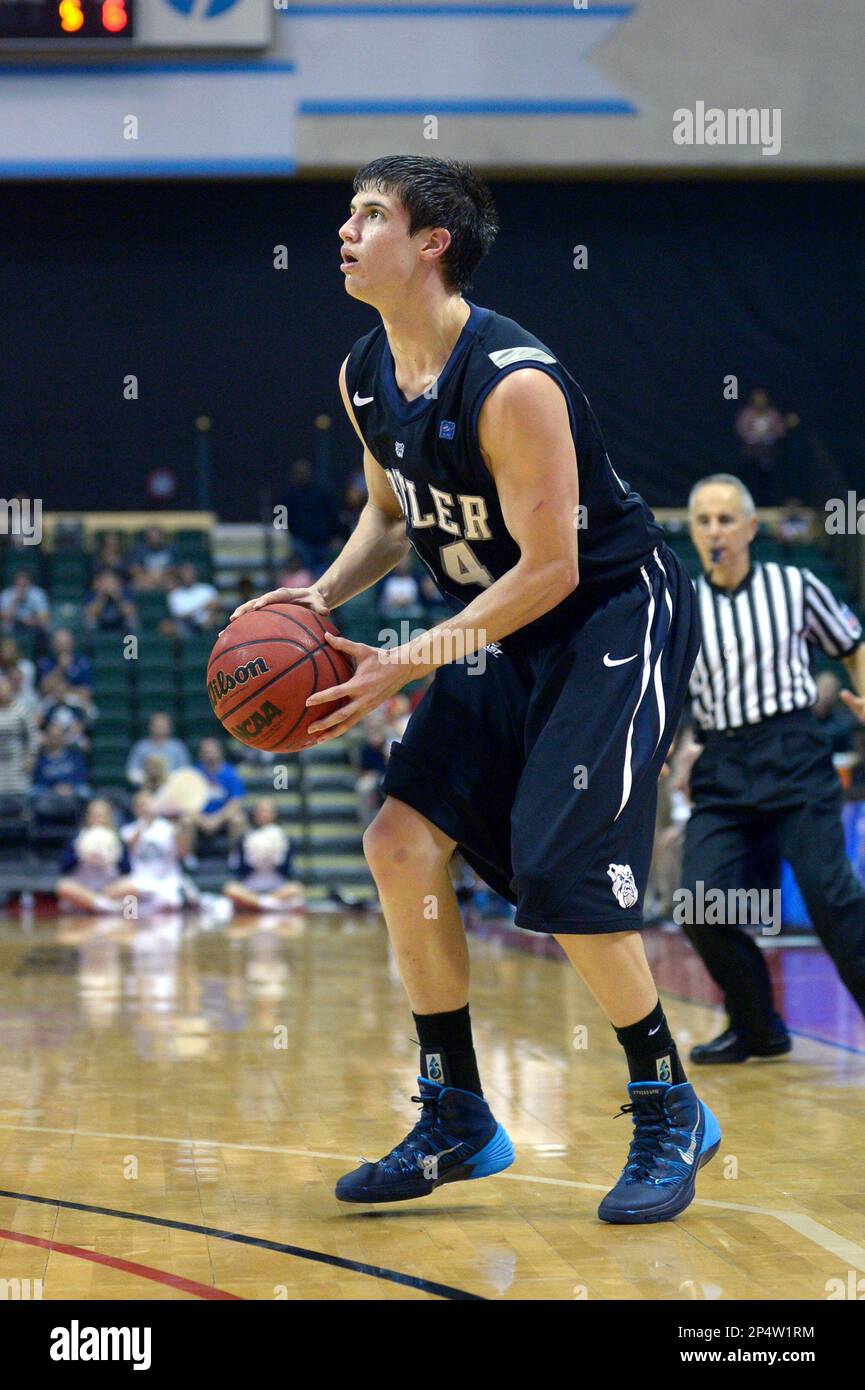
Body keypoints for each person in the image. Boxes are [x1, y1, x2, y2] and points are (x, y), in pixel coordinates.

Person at [232, 155, 717, 1224]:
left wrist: (403, 659)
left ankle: (667, 1104)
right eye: (348, 213)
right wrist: (314, 602)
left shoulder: (513, 381)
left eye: (371, 215)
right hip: (489, 632)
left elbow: (548, 570)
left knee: (561, 867)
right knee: (397, 842)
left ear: (432, 243)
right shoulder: (364, 372)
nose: (346, 231)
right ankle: (456, 1114)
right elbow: (390, 516)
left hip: (603, 617)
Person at [678, 473, 865, 1063]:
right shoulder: (682, 606)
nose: (715, 531)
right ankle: (759, 1028)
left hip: (792, 756)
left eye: (726, 519)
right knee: (700, 903)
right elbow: (655, 685)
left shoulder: (795, 584)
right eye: (704, 521)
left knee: (831, 901)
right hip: (723, 766)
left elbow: (852, 646)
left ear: (752, 528)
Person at [223, 799, 304, 910]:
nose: (263, 814)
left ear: (274, 814)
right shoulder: (245, 838)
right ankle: (269, 905)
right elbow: (238, 869)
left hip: (277, 888)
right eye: (260, 811)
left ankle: (258, 905)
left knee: (295, 888)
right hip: (251, 888)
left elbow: (288, 871)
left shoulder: (285, 839)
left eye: (266, 811)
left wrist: (275, 858)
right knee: (230, 889)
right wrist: (254, 859)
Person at [56, 798, 130, 912]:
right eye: (94, 815)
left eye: (102, 815)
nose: (98, 818)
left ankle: (96, 904)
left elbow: (127, 870)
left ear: (109, 817)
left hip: (109, 889)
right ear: (88, 816)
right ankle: (106, 907)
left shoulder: (117, 837)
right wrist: (80, 856)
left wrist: (112, 860)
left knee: (131, 886)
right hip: (83, 889)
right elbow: (63, 868)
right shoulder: (77, 837)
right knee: (63, 886)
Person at [194, 737, 247, 849]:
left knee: (238, 819)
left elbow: (236, 801)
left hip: (223, 818)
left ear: (220, 752)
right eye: (206, 752)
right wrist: (202, 819)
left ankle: (235, 856)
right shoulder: (194, 774)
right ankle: (187, 859)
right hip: (200, 818)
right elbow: (186, 802)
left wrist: (216, 820)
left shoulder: (230, 773)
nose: (209, 755)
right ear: (200, 754)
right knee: (185, 820)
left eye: (212, 751)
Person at [126, 713, 190, 787]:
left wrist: (166, 780)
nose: (160, 729)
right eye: (157, 726)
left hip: (172, 789)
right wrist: (150, 780)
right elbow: (132, 772)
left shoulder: (178, 747)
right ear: (150, 727)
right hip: (146, 788)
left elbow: (185, 772)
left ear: (170, 728)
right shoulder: (141, 747)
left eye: (163, 726)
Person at [33, 721, 90, 800]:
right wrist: (54, 789)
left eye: (58, 736)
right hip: (48, 791)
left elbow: (81, 776)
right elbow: (39, 780)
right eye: (52, 736)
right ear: (47, 737)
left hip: (73, 790)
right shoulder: (41, 759)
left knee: (84, 791)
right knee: (34, 792)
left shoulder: (74, 756)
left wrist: (69, 787)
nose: (55, 739)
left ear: (63, 737)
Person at [164, 562, 222, 638]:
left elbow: (216, 605)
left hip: (210, 624)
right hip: (187, 627)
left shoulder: (207, 589)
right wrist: (203, 607)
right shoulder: (174, 594)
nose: (188, 576)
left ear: (195, 574)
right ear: (180, 576)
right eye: (185, 574)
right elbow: (181, 615)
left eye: (190, 573)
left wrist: (208, 619)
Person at [0, 671, 35, 794]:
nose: (3, 692)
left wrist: (30, 756)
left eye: (5, 689)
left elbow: (33, 736)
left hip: (16, 762)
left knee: (18, 796)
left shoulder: (21, 711)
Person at [37, 628, 93, 697]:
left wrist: (64, 692)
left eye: (65, 644)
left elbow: (86, 693)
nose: (62, 648)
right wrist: (60, 669)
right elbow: (43, 690)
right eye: (58, 644)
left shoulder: (82, 662)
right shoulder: (45, 662)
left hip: (75, 700)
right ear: (52, 645)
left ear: (72, 644)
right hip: (52, 701)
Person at [83, 568, 138, 634]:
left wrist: (117, 596)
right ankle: (91, 642)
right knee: (90, 621)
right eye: (105, 582)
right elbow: (89, 613)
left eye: (111, 582)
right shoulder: (93, 594)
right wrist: (102, 596)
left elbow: (130, 612)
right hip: (100, 624)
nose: (109, 585)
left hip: (120, 624)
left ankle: (132, 643)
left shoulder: (124, 593)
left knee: (132, 620)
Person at [0, 568, 50, 639]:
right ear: (14, 583)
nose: (21, 588)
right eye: (19, 585)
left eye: (24, 585)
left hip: (33, 626)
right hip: (12, 627)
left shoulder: (38, 594)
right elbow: (4, 618)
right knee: (5, 627)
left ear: (29, 583)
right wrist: (14, 602)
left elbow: (45, 618)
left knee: (45, 628)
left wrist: (31, 621)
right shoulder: (6, 594)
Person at [128, 526, 179, 592]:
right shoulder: (140, 550)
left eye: (157, 536)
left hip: (165, 578)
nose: (155, 539)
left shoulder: (170, 549)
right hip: (145, 578)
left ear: (162, 537)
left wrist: (161, 575)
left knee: (172, 584)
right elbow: (133, 568)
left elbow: (176, 567)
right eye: (151, 537)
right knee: (136, 584)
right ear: (147, 538)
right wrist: (148, 575)